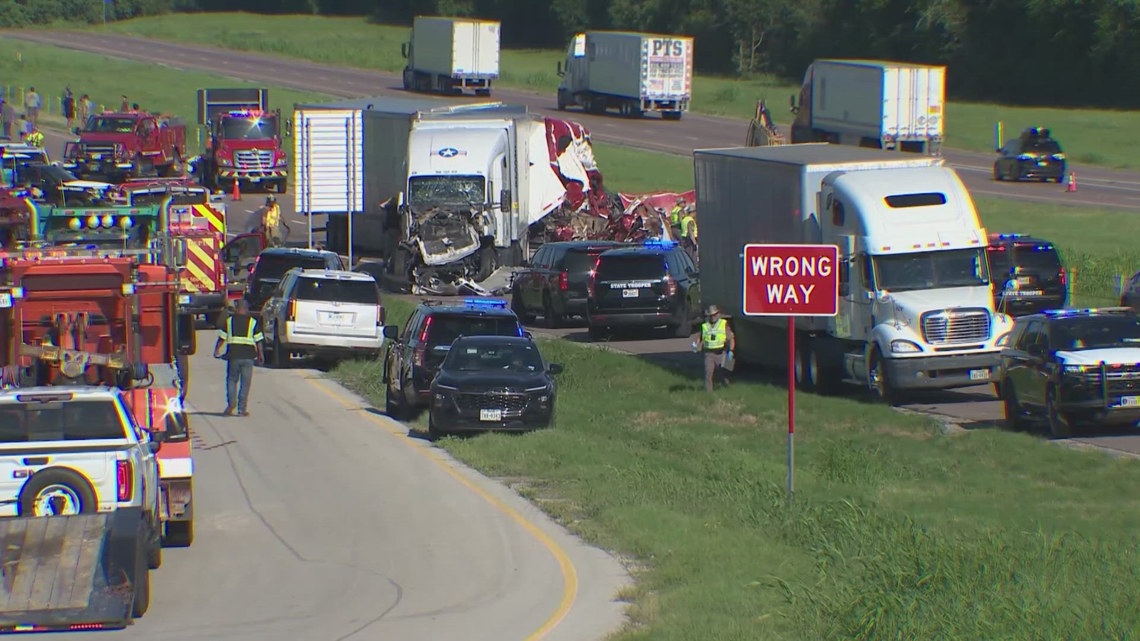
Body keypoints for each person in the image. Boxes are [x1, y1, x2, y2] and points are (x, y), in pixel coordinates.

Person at [213, 298, 264, 417]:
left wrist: (216, 350)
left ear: (237, 309)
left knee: (231, 380)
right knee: (245, 383)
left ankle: (231, 404)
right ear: (246, 309)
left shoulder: (229, 321)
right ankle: (242, 409)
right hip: (248, 357)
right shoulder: (253, 322)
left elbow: (222, 337)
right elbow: (259, 340)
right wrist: (260, 355)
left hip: (234, 356)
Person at [694, 305, 735, 392]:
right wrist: (695, 345)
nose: (713, 317)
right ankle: (708, 392)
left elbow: (731, 338)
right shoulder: (704, 325)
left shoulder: (724, 324)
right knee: (708, 373)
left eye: (715, 314)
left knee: (725, 372)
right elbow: (700, 337)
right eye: (711, 315)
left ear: (718, 314)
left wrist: (731, 351)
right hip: (709, 353)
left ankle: (728, 388)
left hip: (722, 352)